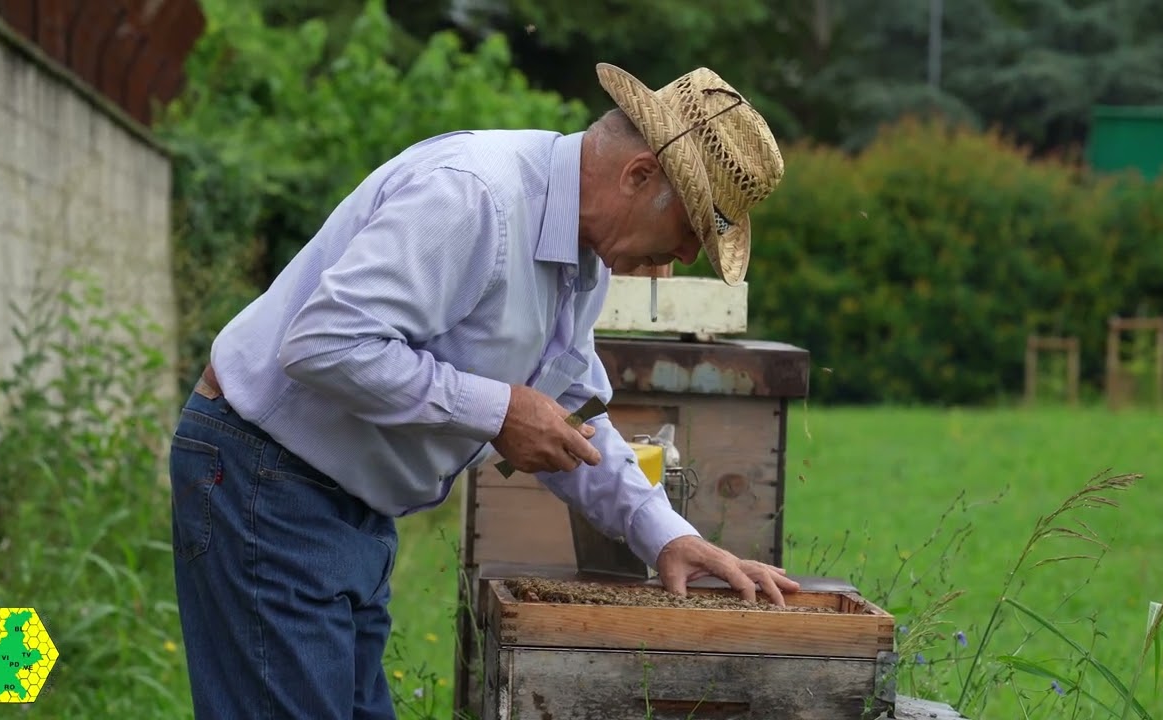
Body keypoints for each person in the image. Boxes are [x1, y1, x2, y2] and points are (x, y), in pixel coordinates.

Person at [168, 62, 799, 719]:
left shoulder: (583, 256)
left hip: (343, 502)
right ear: (639, 175)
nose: (669, 268)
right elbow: (324, 342)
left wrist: (664, 534)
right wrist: (498, 408)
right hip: (264, 479)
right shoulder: (472, 196)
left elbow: (575, 409)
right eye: (683, 237)